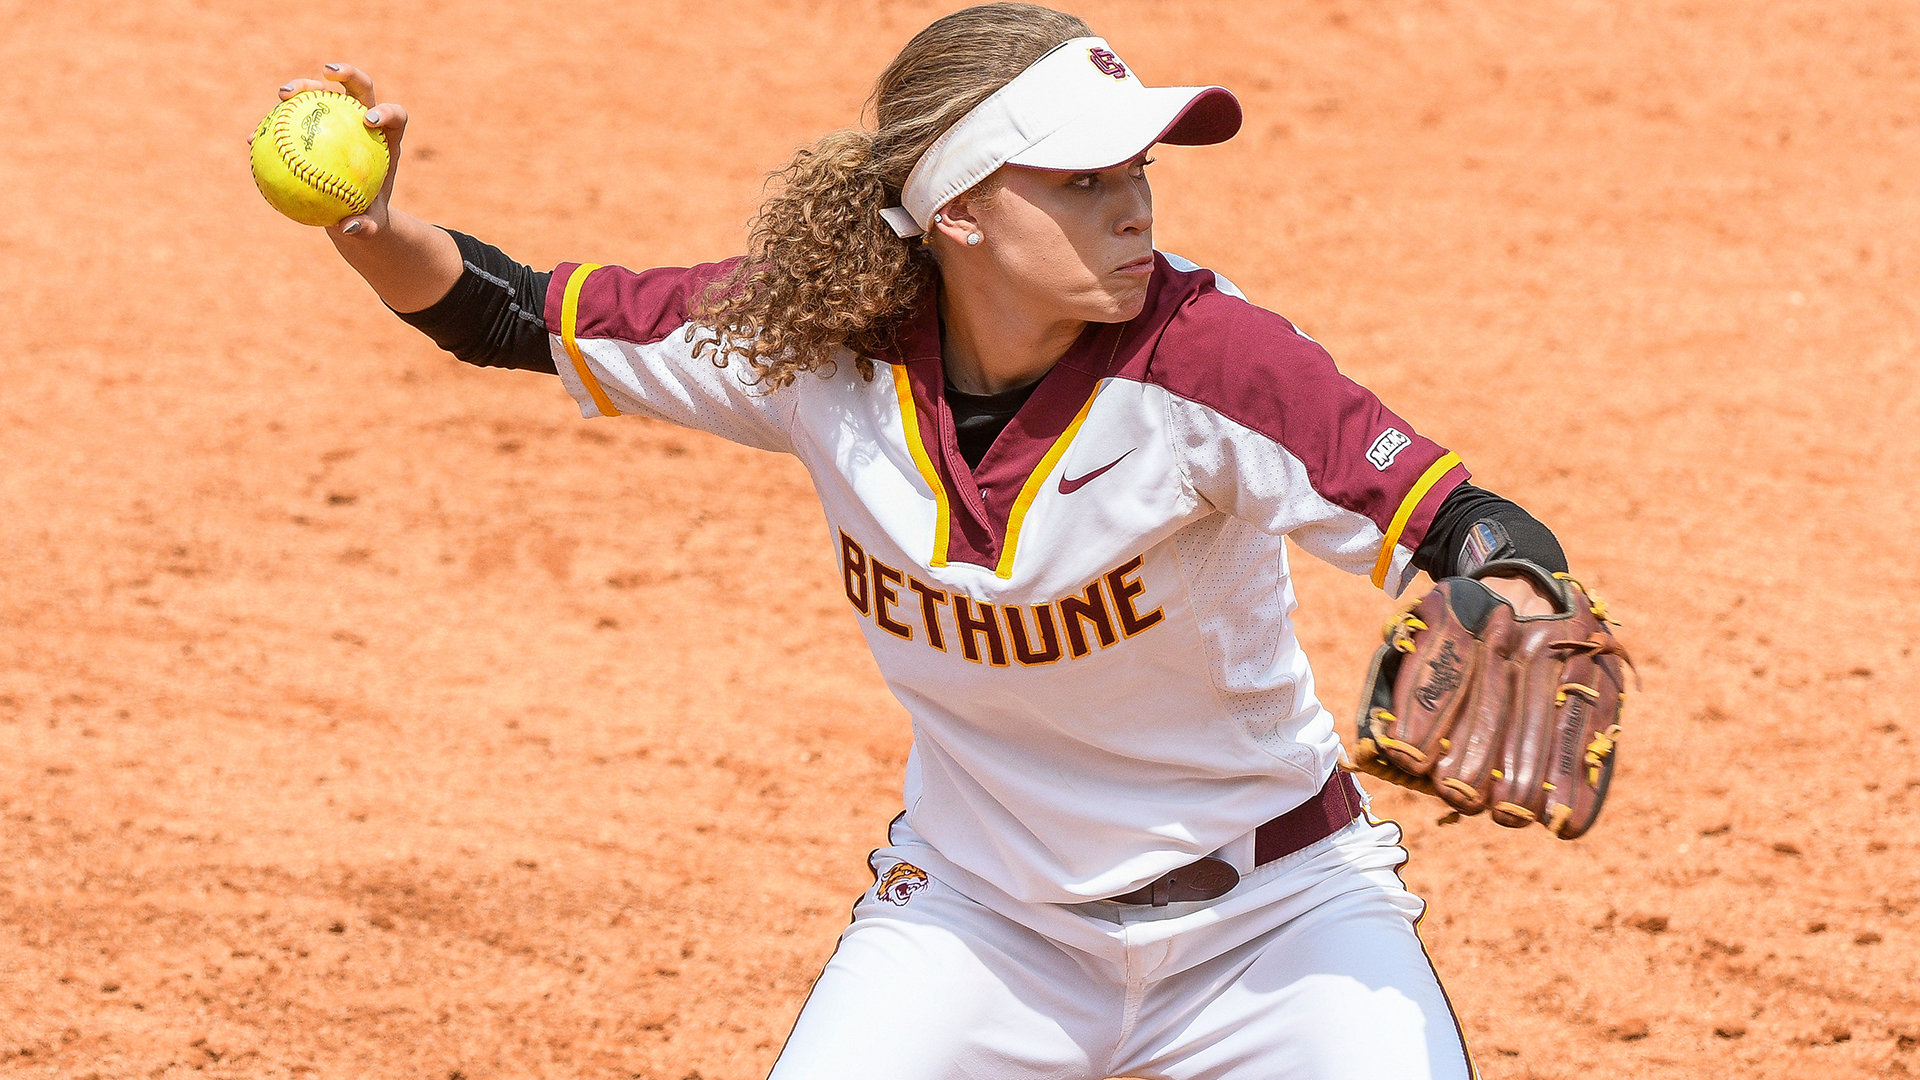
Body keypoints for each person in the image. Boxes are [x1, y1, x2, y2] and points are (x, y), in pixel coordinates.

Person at [276, 5, 1577, 1076]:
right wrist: (377, 229)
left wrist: (1511, 586)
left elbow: (1454, 517)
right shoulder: (809, 346)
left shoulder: (1206, 358)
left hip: (1280, 928)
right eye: (1082, 179)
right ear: (956, 209)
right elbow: (511, 315)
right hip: (979, 927)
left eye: (1139, 168)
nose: (1134, 208)